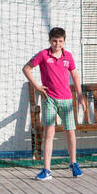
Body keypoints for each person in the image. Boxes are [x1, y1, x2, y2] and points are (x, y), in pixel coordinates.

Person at [23, 27, 84, 180]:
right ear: (50, 41)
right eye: (54, 41)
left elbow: (75, 75)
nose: (57, 44)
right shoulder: (43, 55)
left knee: (70, 131)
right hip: (49, 99)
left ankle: (73, 163)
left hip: (66, 100)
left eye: (60, 41)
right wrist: (37, 86)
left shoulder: (68, 56)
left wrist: (80, 95)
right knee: (49, 134)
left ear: (64, 41)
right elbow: (26, 68)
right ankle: (47, 170)